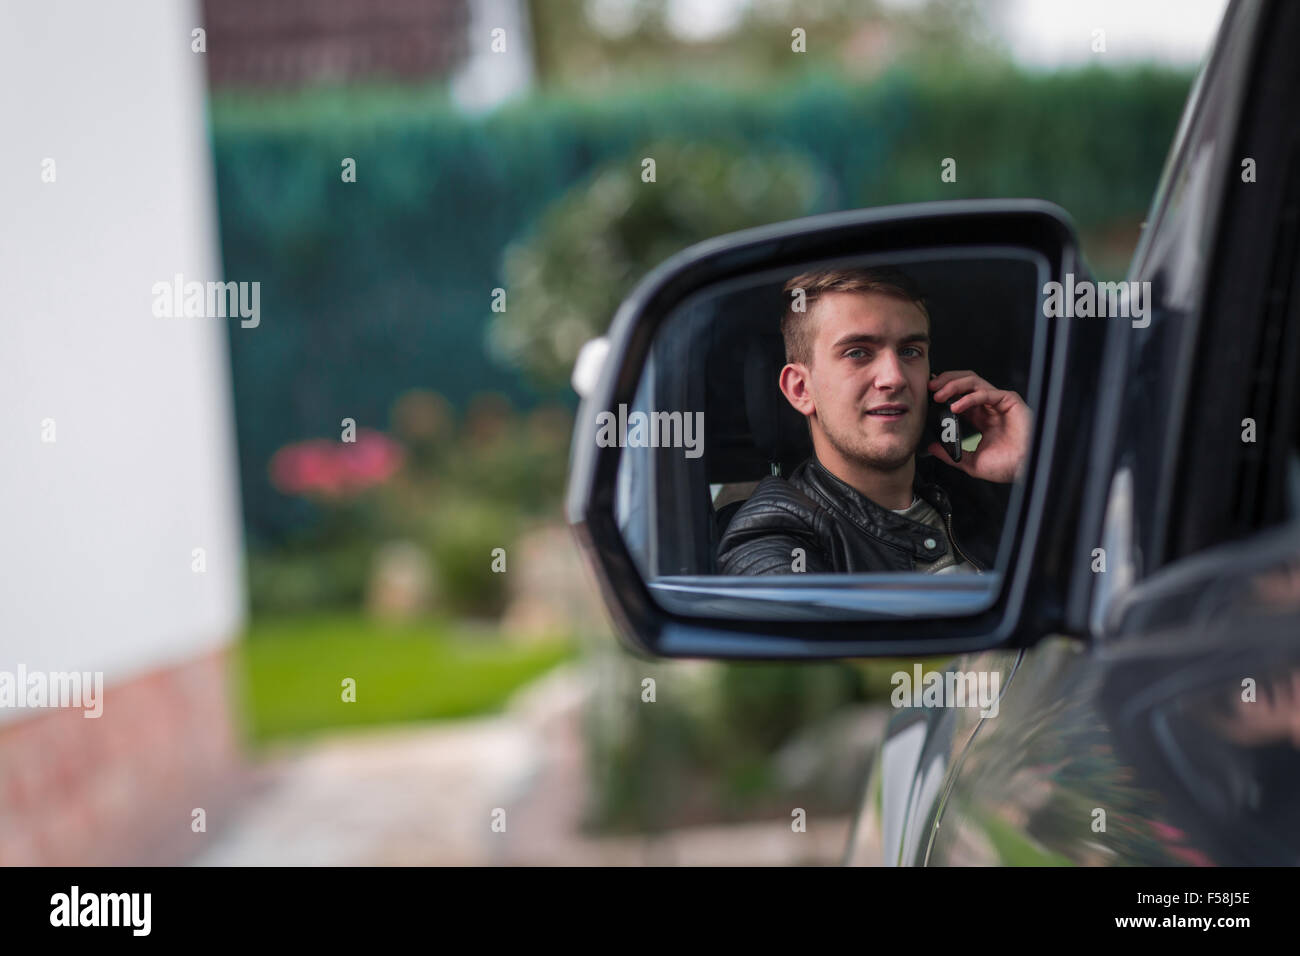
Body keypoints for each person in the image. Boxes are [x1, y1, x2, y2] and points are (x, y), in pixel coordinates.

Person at [717, 266, 1031, 575]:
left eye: (910, 351)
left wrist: (1033, 461)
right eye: (857, 353)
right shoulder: (775, 540)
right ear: (800, 389)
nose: (894, 378)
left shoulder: (975, 488)